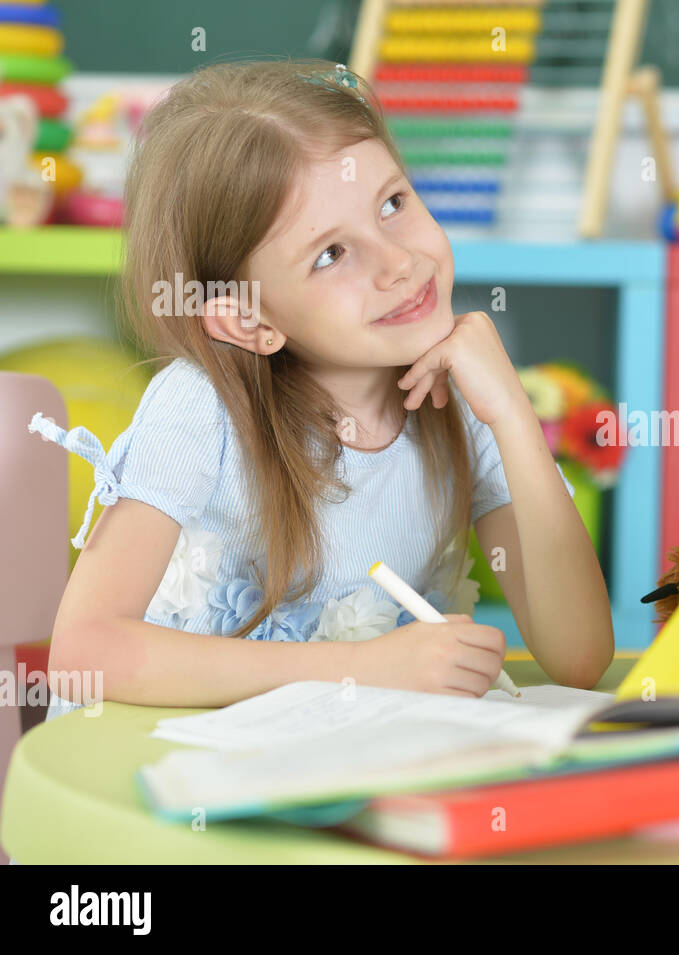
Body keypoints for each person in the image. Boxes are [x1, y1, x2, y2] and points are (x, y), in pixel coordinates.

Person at [29, 59, 614, 720]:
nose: (399, 263)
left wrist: (511, 413)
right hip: (171, 760)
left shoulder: (463, 399)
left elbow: (580, 655)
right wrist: (360, 669)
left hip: (329, 753)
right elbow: (84, 653)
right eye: (332, 253)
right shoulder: (201, 406)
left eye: (393, 203)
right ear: (248, 318)